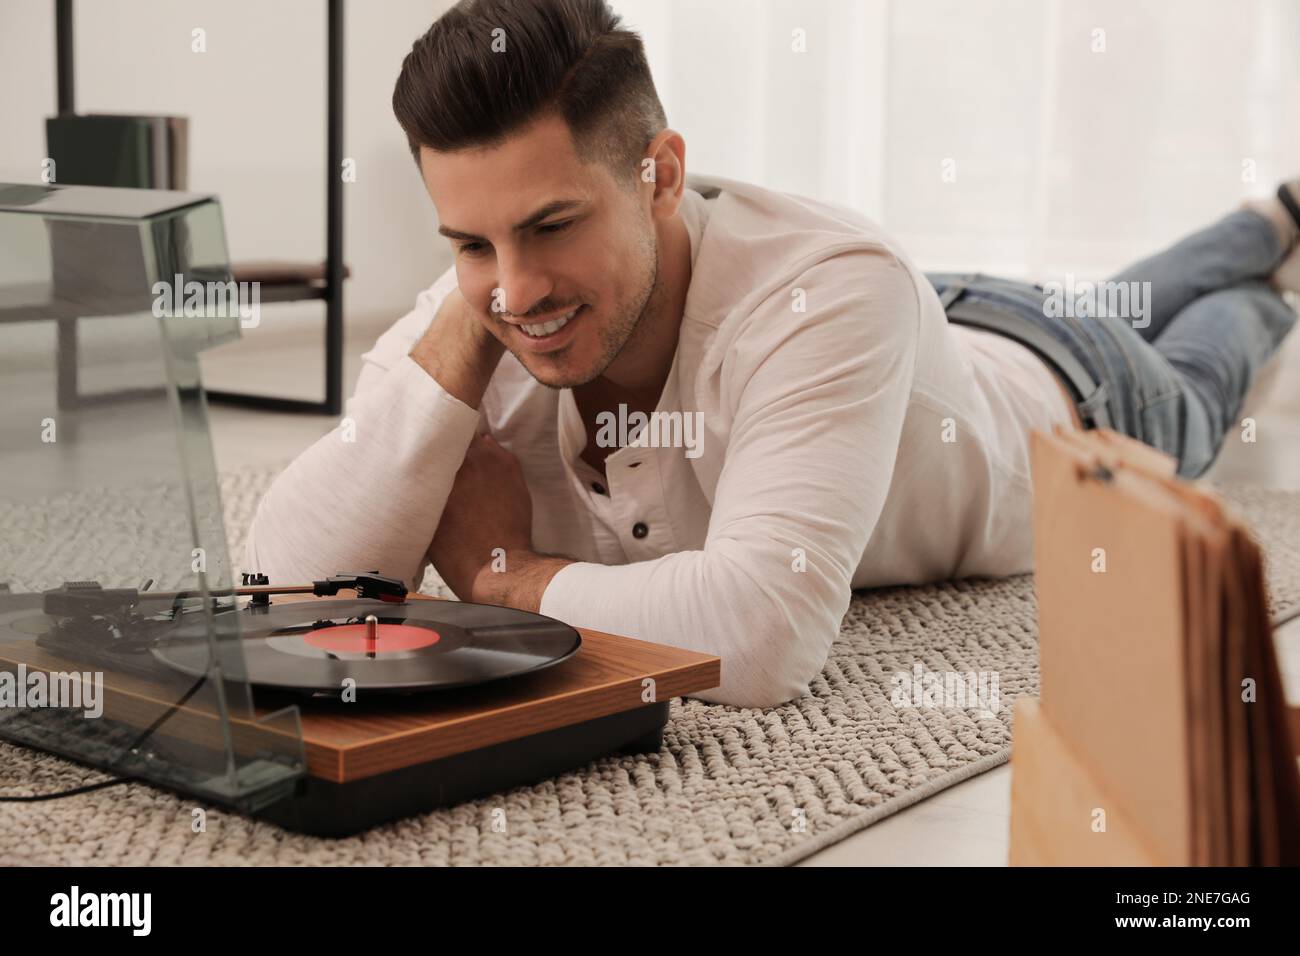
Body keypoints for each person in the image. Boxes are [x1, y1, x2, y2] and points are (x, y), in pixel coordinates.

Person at [244, 0, 1300, 708]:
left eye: (552, 224)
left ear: (660, 173)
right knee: (1136, 290)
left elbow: (758, 639)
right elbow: (274, 593)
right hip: (927, 317)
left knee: (1210, 361)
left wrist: (503, 576)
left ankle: (1272, 253)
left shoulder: (829, 284)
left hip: (1073, 389)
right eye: (471, 242)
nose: (513, 288)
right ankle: (1266, 220)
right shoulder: (492, 298)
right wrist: (457, 334)